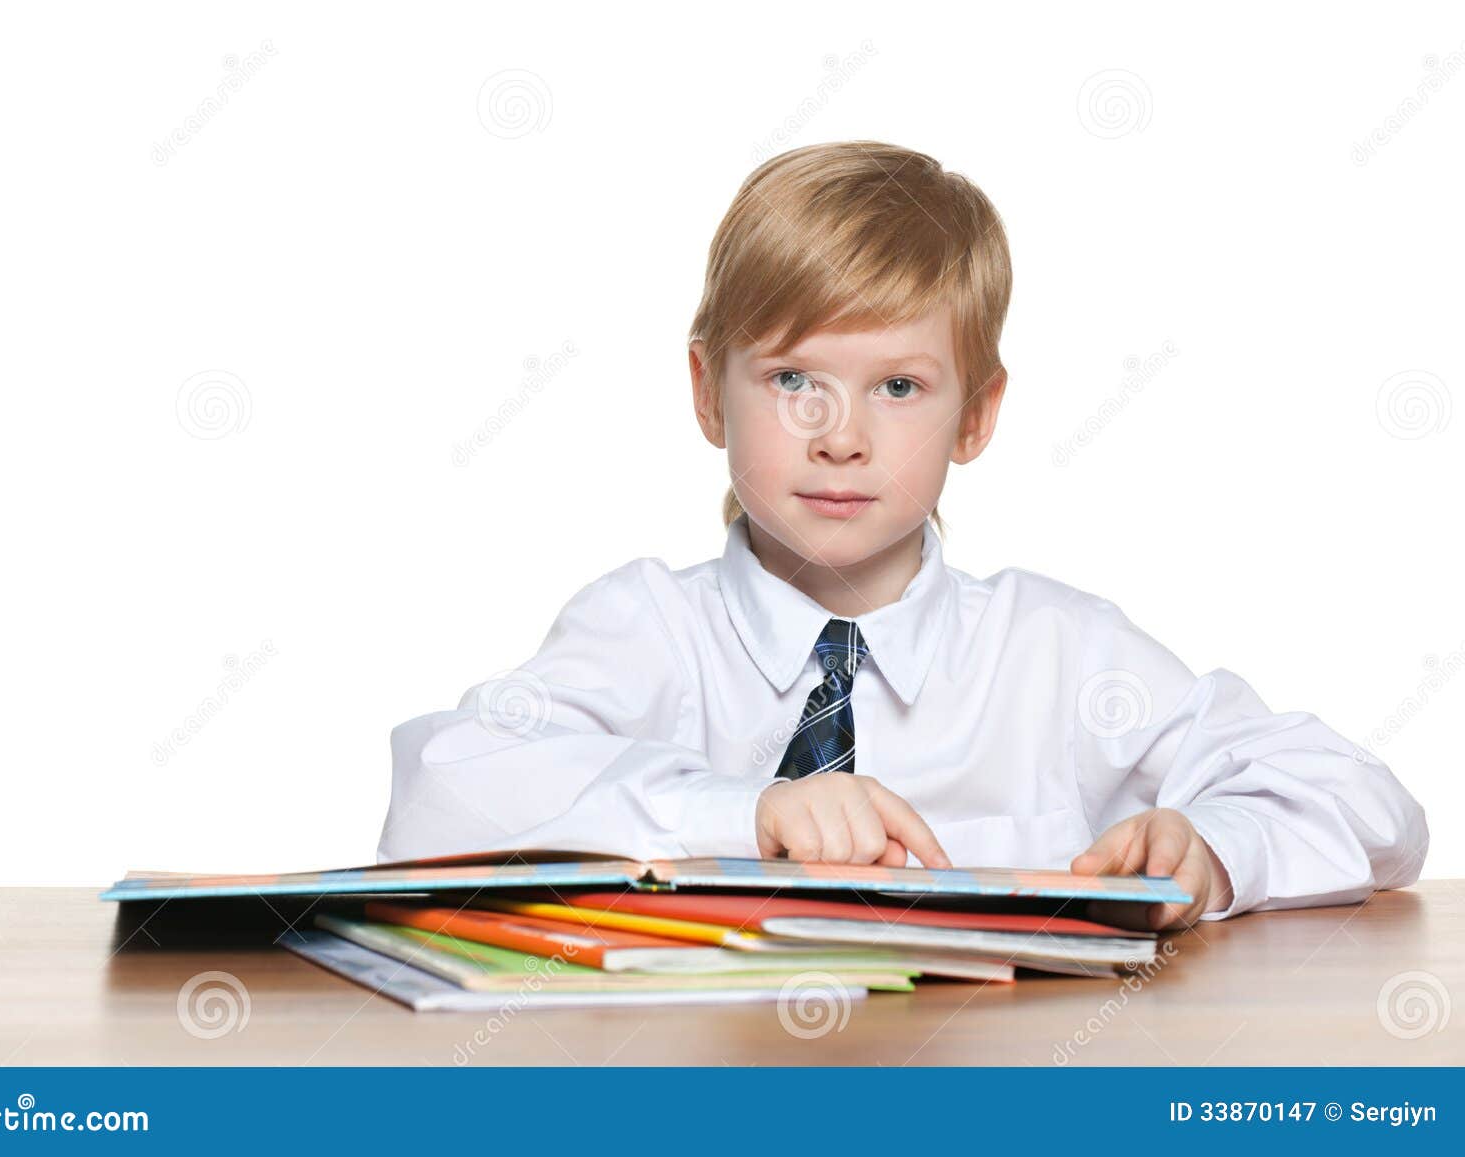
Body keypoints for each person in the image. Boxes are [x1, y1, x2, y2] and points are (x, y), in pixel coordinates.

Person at [378, 141, 1428, 930]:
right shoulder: (646, 627)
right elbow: (442, 794)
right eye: (792, 380)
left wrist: (1216, 846)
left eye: (899, 385)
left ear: (975, 414)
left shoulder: (1055, 652)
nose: (841, 436)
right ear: (708, 393)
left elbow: (1372, 808)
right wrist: (744, 813)